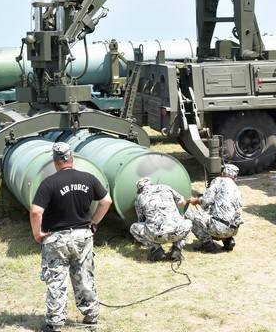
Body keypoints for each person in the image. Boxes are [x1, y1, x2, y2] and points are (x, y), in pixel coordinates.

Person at [30, 142, 112, 332]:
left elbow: (36, 212)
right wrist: (94, 222)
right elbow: (106, 201)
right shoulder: (88, 178)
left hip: (56, 239)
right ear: (71, 158)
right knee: (84, 275)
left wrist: (37, 234)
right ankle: (91, 316)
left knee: (57, 279)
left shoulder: (49, 183)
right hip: (83, 236)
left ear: (55, 161)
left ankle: (55, 322)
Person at [129, 178, 193, 262]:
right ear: (151, 184)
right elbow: (181, 202)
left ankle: (156, 249)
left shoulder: (139, 198)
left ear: (140, 189)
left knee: (134, 228)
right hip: (177, 232)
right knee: (188, 223)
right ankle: (177, 249)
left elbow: (141, 220)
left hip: (157, 235)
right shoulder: (165, 187)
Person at [186, 164, 243, 252]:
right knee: (220, 215)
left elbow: (206, 201)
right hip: (234, 229)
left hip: (219, 227)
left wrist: (196, 200)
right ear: (234, 176)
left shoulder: (219, 181)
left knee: (189, 214)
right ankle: (228, 240)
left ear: (223, 172)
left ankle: (208, 245)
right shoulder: (236, 188)